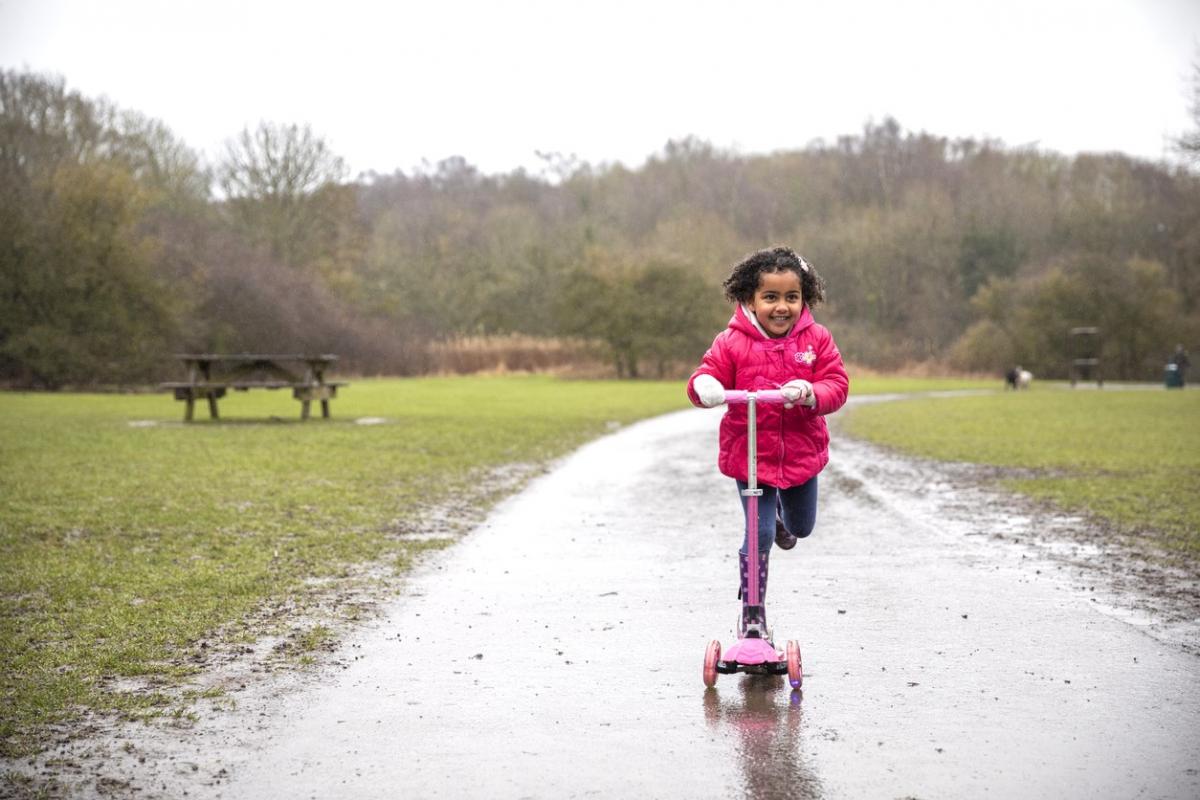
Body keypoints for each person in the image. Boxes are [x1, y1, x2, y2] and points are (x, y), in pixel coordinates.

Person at [686, 246, 849, 636]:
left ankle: (782, 519)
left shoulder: (817, 339)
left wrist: (810, 392)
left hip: (800, 455)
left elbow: (837, 384)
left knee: (800, 528)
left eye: (791, 297)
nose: (781, 307)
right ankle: (752, 615)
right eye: (770, 297)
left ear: (804, 299)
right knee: (759, 535)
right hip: (751, 458)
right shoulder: (730, 341)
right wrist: (705, 387)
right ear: (750, 299)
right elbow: (705, 376)